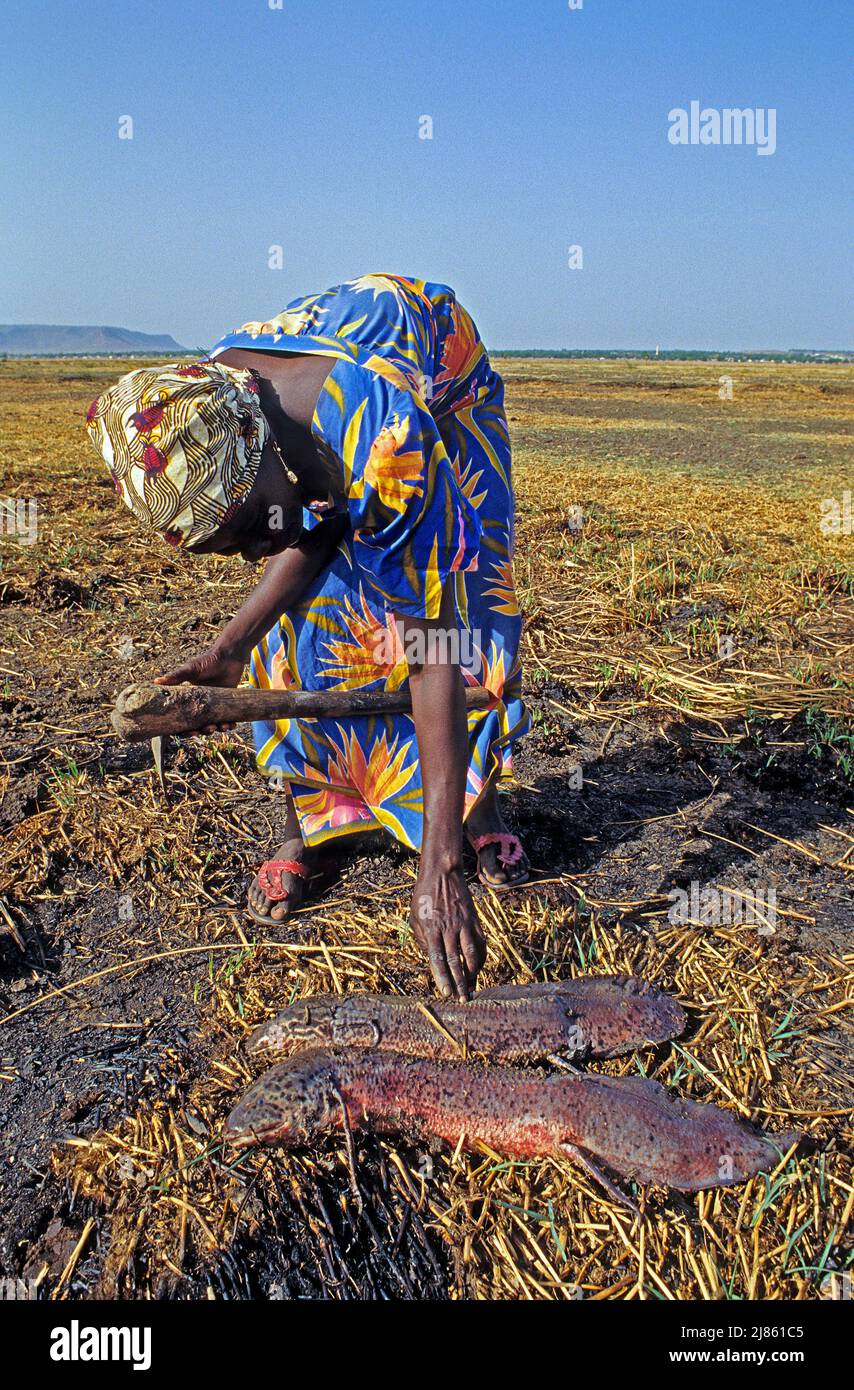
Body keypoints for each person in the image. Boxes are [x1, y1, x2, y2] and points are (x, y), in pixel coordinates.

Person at [86, 274, 530, 997]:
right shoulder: (204, 402)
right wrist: (230, 651)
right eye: (227, 550)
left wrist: (438, 869)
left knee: (457, 599)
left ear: (260, 450)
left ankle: (471, 811)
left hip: (442, 388)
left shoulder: (386, 439)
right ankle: (312, 819)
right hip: (334, 431)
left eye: (243, 530)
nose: (251, 555)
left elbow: (433, 646)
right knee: (317, 618)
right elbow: (307, 526)